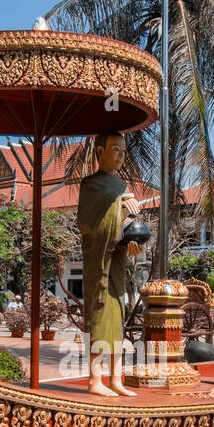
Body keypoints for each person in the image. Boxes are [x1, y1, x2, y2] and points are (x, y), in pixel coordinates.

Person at [78, 132, 141, 396]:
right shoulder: (90, 185)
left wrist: (132, 240)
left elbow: (123, 226)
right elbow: (88, 225)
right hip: (98, 262)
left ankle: (116, 379)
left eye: (124, 151)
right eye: (115, 149)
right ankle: (95, 381)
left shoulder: (120, 186)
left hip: (115, 261)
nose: (120, 155)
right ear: (100, 151)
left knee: (118, 320)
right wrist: (121, 209)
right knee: (101, 317)